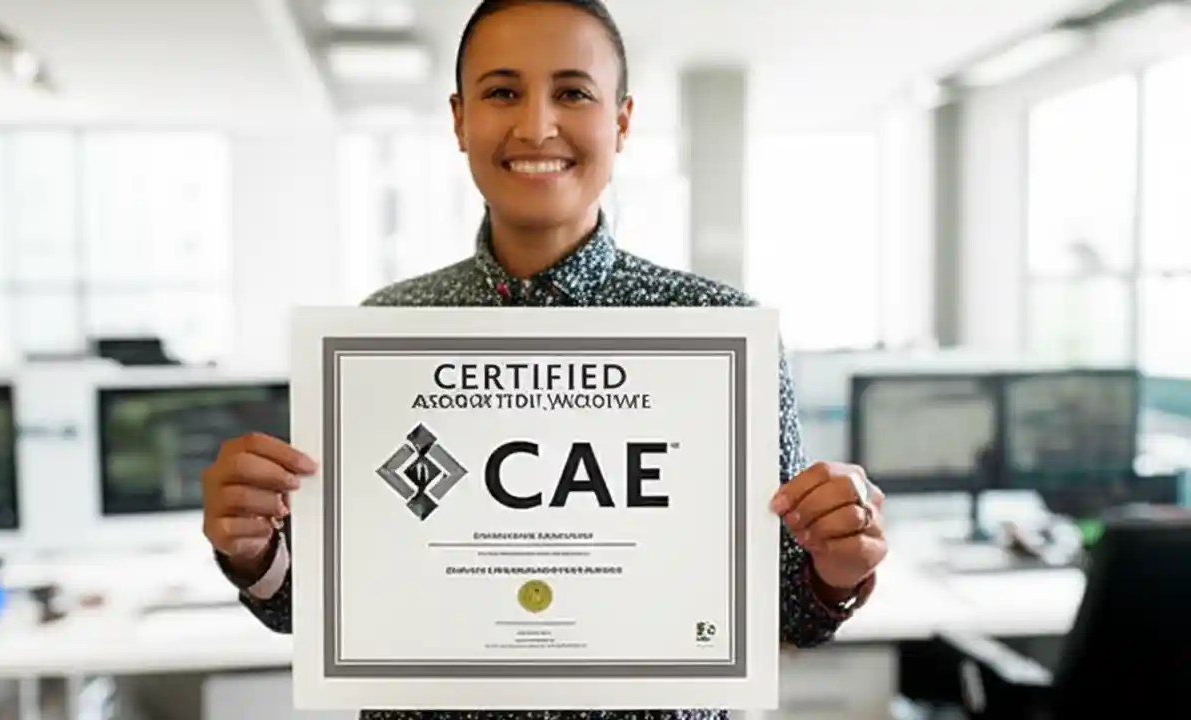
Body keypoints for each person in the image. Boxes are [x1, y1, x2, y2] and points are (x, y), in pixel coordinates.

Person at [202, 0, 888, 717]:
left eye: (572, 92)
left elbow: (783, 617)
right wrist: (255, 554)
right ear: (460, 118)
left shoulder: (720, 331)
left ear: (621, 121)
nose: (535, 126)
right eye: (502, 92)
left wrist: (836, 569)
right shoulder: (384, 335)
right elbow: (324, 612)